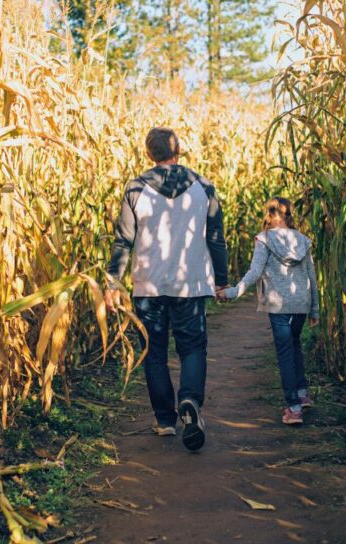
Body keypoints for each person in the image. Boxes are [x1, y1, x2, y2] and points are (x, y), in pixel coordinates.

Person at [105, 127, 229, 451]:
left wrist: (112, 282)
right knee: (192, 348)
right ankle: (189, 400)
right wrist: (222, 279)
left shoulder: (136, 189)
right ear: (179, 151)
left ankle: (164, 419)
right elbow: (215, 237)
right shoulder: (204, 187)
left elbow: (123, 240)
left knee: (154, 352)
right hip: (191, 284)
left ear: (149, 153)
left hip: (149, 285)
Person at [217, 197, 319, 425]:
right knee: (294, 344)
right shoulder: (303, 241)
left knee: (284, 352)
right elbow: (312, 277)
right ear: (289, 214)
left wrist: (233, 292)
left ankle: (293, 409)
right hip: (301, 303)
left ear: (269, 214)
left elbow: (254, 272)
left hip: (278, 305)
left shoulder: (264, 240)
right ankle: (302, 394)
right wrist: (315, 309)